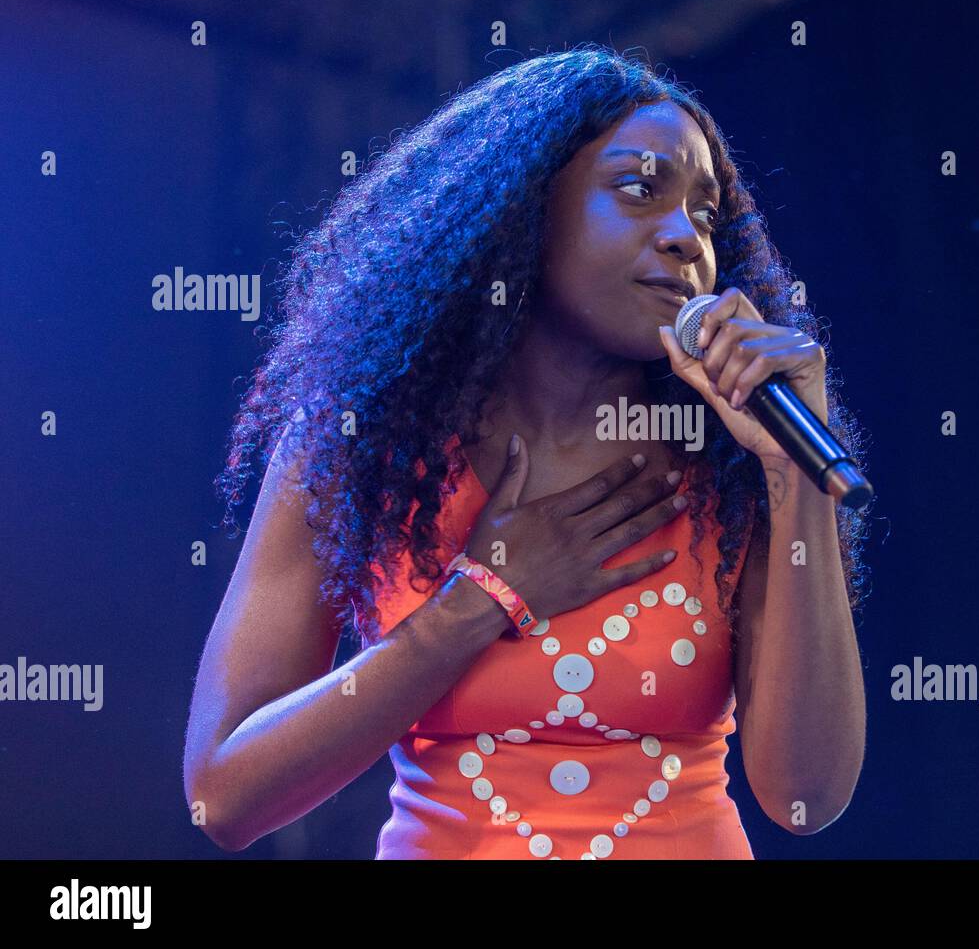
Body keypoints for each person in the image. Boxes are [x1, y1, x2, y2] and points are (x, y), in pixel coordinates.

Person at [186, 45, 871, 859]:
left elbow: (804, 800)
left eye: (706, 213)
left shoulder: (733, 462)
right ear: (522, 209)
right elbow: (225, 795)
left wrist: (792, 476)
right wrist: (480, 601)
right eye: (640, 189)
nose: (688, 238)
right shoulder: (359, 445)